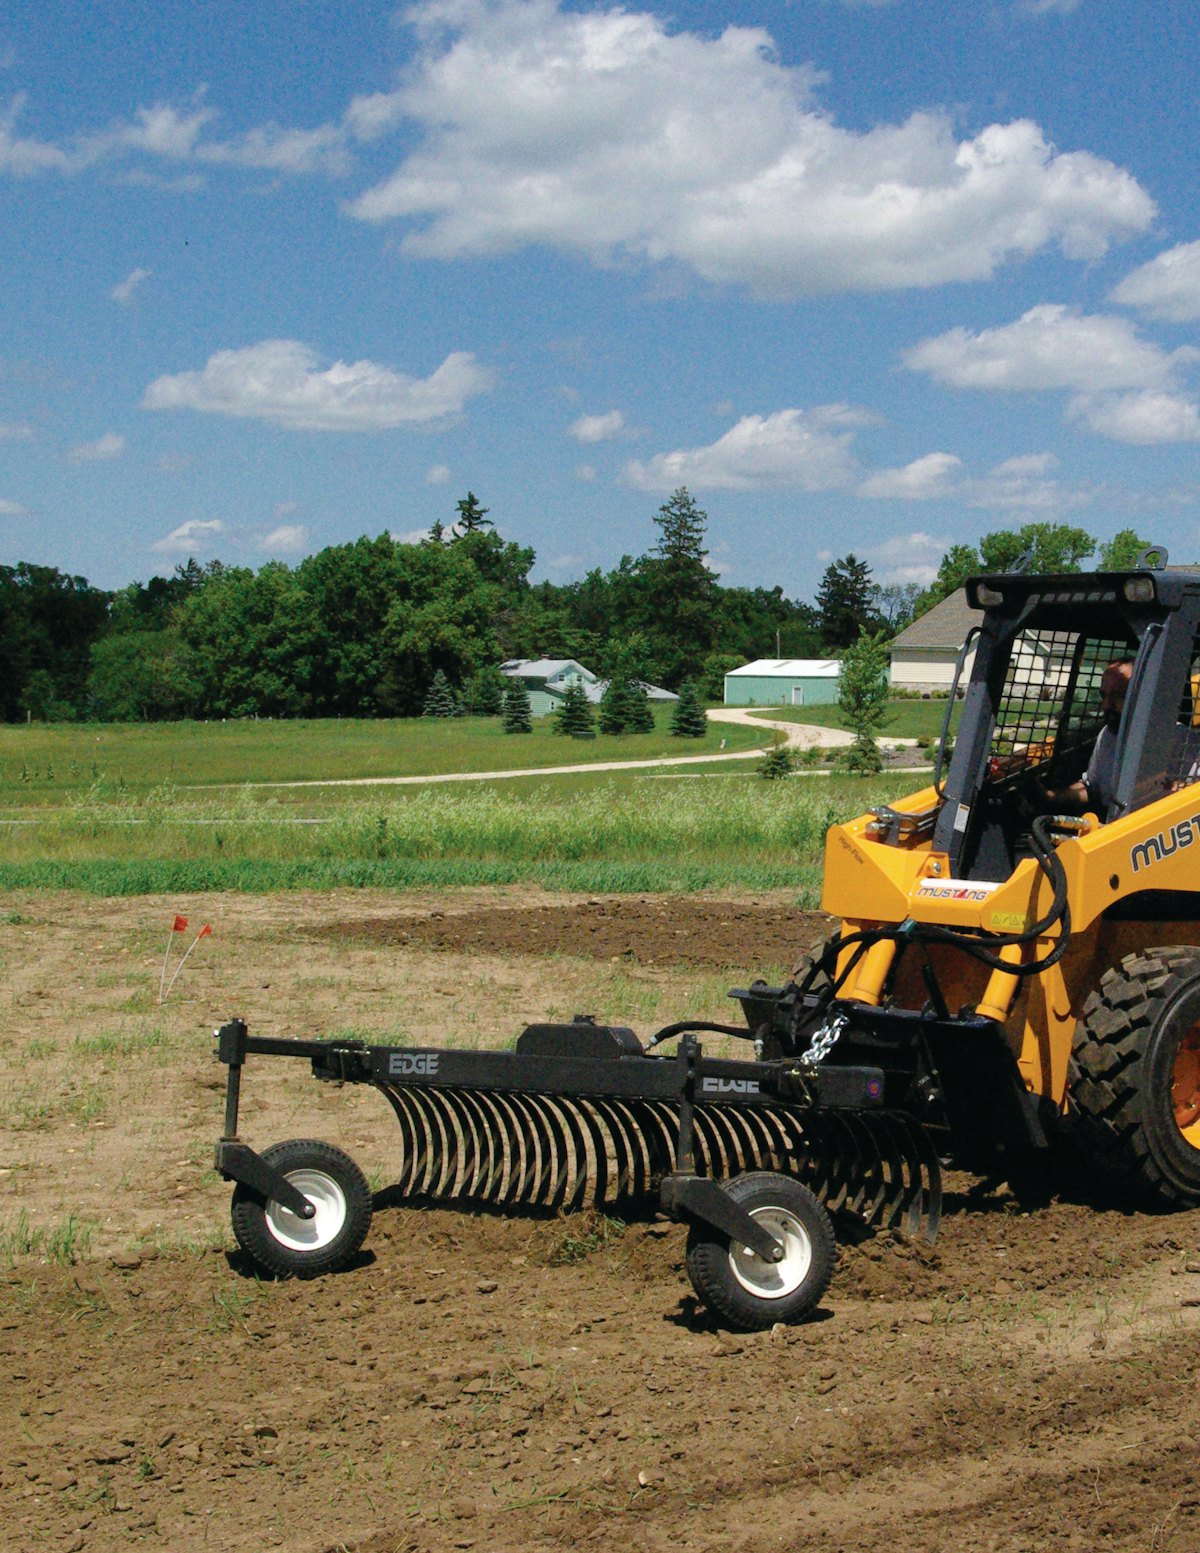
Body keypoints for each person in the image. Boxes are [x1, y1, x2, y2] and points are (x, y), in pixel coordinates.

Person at [1037, 659, 1132, 815]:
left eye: (1118, 696)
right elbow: (1091, 788)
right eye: (1104, 696)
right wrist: (1050, 797)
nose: (1107, 705)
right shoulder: (1108, 736)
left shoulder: (1167, 740)